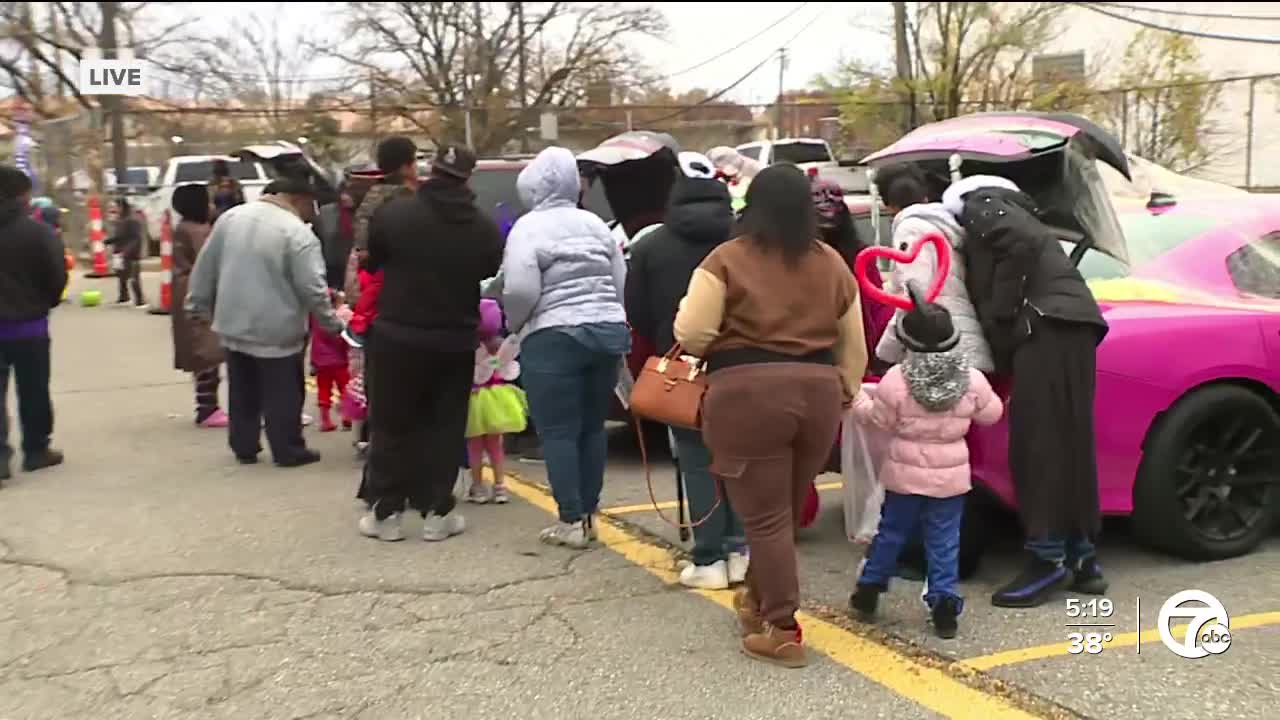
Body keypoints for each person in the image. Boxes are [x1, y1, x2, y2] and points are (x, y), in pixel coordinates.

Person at [673, 163, 868, 668]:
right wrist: (843, 390)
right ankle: (757, 604)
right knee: (779, 510)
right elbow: (855, 344)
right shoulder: (830, 261)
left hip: (748, 393)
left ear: (750, 206)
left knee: (766, 517)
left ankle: (782, 627)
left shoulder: (726, 259)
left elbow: (692, 333)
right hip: (819, 393)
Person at [943, 175, 1109, 608]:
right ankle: (1082, 556)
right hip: (1070, 324)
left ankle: (1046, 558)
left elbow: (1019, 244)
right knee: (1070, 440)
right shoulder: (1014, 208)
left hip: (1044, 325)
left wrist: (1000, 312)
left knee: (1038, 444)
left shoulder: (979, 203)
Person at [358, 144, 503, 543]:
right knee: (444, 424)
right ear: (468, 177)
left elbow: (374, 259)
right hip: (453, 338)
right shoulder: (482, 226)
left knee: (391, 422)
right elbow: (489, 269)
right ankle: (437, 511)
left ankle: (385, 512)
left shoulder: (395, 213)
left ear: (429, 170)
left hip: (398, 334)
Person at [848, 296, 1003, 639]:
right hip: (951, 479)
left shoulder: (895, 381)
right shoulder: (971, 379)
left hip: (903, 478)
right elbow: (991, 414)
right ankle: (944, 603)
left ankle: (869, 589)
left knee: (891, 534)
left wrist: (859, 400)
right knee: (945, 541)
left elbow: (879, 421)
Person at [626, 151, 746, 589]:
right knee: (740, 459)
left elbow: (634, 308)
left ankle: (708, 557)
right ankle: (740, 550)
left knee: (697, 463)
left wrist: (663, 332)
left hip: (682, 365)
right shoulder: (742, 242)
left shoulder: (651, 245)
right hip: (741, 364)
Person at [501, 147, 629, 548]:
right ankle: (590, 513)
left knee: (558, 431)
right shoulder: (595, 224)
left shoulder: (527, 227)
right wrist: (611, 314)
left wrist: (516, 323)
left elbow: (520, 288)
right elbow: (619, 278)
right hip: (605, 330)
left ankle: (569, 520)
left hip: (553, 335)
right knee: (593, 428)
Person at [186, 174, 344, 468]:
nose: (314, 212)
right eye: (313, 205)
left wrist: (197, 303)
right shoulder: (297, 233)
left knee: (242, 385)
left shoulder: (231, 218)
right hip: (276, 326)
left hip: (232, 319)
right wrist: (332, 323)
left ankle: (244, 445)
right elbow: (312, 288)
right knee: (283, 389)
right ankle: (288, 449)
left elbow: (206, 264)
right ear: (299, 200)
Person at [873, 163, 993, 373]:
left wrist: (886, 350)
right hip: (963, 339)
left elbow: (916, 296)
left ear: (888, 205)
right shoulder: (945, 225)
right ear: (925, 196)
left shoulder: (911, 228)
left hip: (939, 348)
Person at [0, 166, 66, 483]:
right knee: (34, 391)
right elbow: (56, 277)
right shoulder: (38, 233)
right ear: (23, 195)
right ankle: (36, 450)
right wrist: (45, 303)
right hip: (29, 326)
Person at [169, 183, 227, 428]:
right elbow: (212, 260)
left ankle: (207, 405)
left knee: (201, 350)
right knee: (207, 351)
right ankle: (207, 408)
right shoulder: (198, 231)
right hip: (198, 291)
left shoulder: (183, 227)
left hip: (184, 289)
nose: (212, 205)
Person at [464, 299, 527, 505]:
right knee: (496, 446)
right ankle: (500, 487)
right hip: (499, 397)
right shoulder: (502, 346)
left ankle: (478, 487)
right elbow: (510, 369)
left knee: (475, 447)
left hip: (476, 399)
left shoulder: (471, 347)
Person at [310, 290, 351, 433]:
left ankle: (325, 421)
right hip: (339, 361)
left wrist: (313, 362)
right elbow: (344, 339)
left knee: (324, 390)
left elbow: (314, 341)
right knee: (345, 388)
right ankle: (347, 416)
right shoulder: (338, 319)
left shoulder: (315, 319)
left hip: (321, 361)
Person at [105, 198, 146, 308]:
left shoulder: (132, 220)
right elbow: (119, 236)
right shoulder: (121, 220)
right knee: (121, 276)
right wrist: (108, 241)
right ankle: (124, 297)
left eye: (115, 207)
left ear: (122, 207)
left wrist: (126, 252)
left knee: (133, 278)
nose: (113, 209)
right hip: (120, 253)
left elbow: (135, 239)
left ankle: (140, 300)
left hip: (130, 254)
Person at [317, 183, 356, 290]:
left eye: (350, 194)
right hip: (330, 265)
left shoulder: (362, 214)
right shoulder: (326, 211)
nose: (345, 197)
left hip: (353, 266)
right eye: (343, 193)